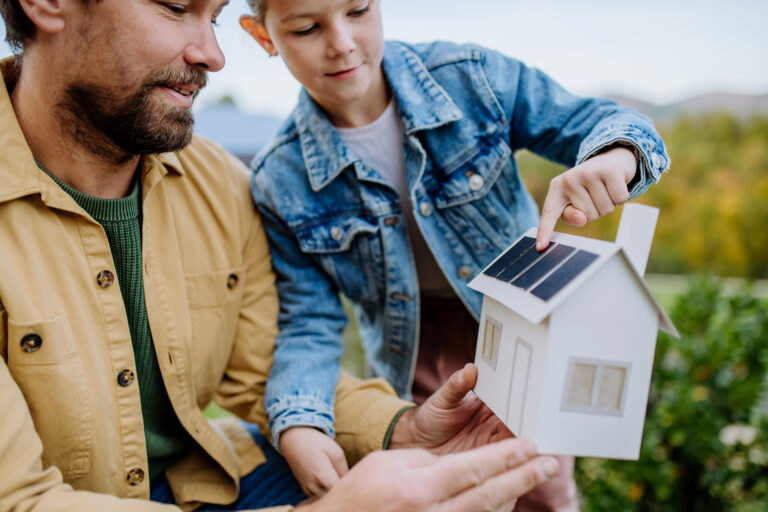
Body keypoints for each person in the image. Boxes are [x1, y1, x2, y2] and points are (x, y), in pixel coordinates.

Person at [0, 0, 562, 510]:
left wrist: (404, 429)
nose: (214, 56)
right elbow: (18, 500)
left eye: (215, 18)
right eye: (175, 8)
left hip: (201, 484)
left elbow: (267, 366)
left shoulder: (219, 185)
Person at [240, 0, 672, 508]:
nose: (341, 42)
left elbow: (599, 120)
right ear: (264, 37)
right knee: (447, 494)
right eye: (308, 28)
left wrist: (614, 155)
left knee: (541, 488)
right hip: (416, 361)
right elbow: (308, 319)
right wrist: (301, 420)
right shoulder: (280, 179)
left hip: (524, 324)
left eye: (357, 10)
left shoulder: (471, 79)